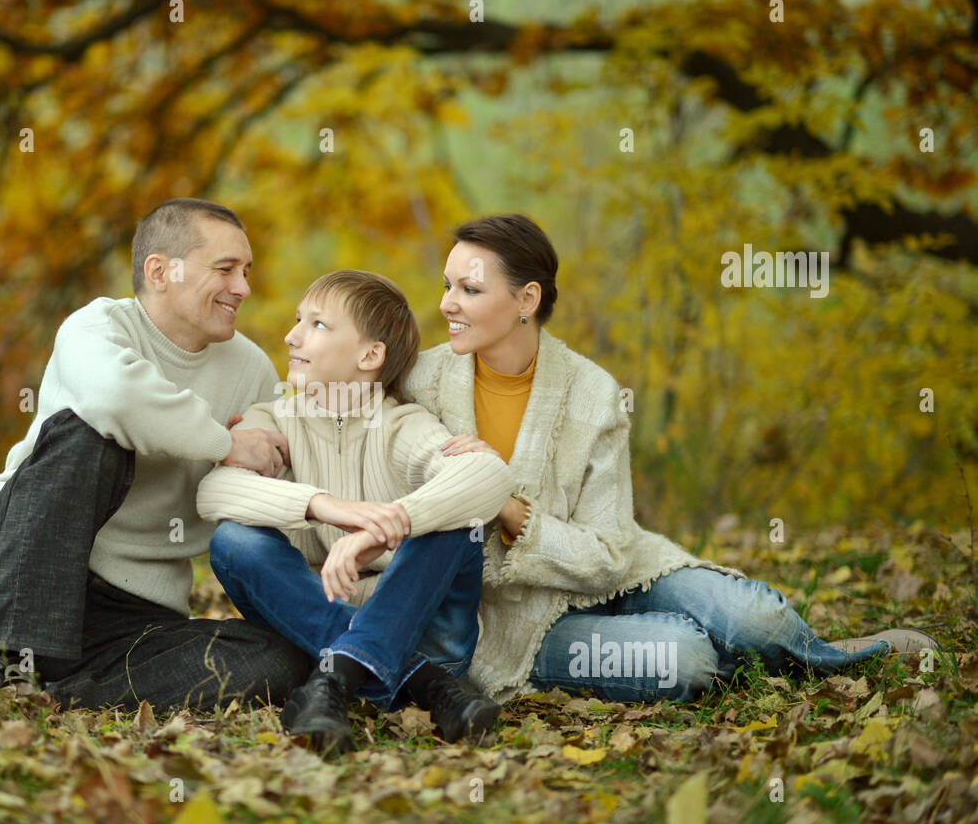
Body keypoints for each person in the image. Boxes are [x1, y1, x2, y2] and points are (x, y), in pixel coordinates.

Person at [400, 213, 939, 705]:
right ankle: (724, 655)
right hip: (507, 618)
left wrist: (512, 510)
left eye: (469, 289)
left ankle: (824, 654)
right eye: (448, 286)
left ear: (527, 300)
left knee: (760, 616)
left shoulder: (593, 391)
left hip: (612, 571)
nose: (447, 303)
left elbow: (609, 552)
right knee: (683, 659)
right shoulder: (421, 385)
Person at [0, 198, 313, 724]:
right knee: (90, 434)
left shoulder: (251, 368)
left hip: (129, 620)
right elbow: (114, 398)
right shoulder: (95, 328)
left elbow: (270, 477)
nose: (244, 288)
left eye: (246, 271)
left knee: (278, 657)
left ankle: (49, 692)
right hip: (3, 569)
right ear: (160, 271)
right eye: (226, 269)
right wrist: (222, 442)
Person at [197, 270, 513, 753]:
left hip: (425, 631)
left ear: (371, 356)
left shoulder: (403, 425)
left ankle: (337, 677)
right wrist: (326, 508)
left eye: (318, 325)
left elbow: (490, 478)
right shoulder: (274, 418)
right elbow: (214, 492)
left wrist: (387, 527)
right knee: (232, 541)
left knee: (455, 523)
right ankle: (421, 684)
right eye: (298, 320)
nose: (292, 335)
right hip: (324, 620)